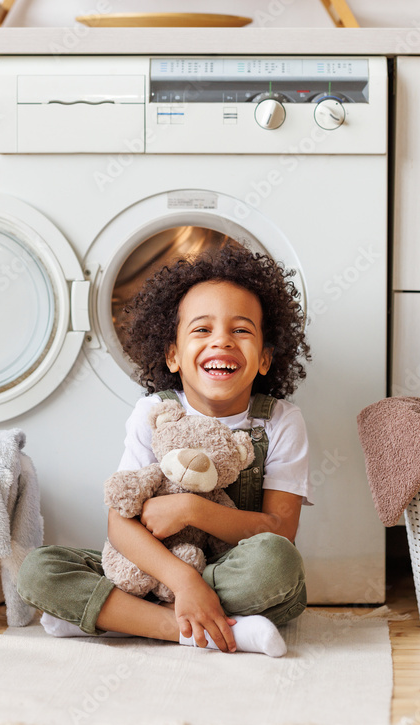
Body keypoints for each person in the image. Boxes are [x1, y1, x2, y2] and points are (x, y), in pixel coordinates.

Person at [17, 244, 311, 657]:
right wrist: (183, 581)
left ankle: (119, 618)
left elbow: (281, 530)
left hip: (226, 571)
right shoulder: (154, 412)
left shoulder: (279, 421)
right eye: (202, 329)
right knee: (38, 571)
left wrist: (195, 511)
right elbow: (120, 525)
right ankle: (202, 629)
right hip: (153, 569)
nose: (222, 341)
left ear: (264, 358)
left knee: (276, 563)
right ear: (173, 354)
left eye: (241, 330)